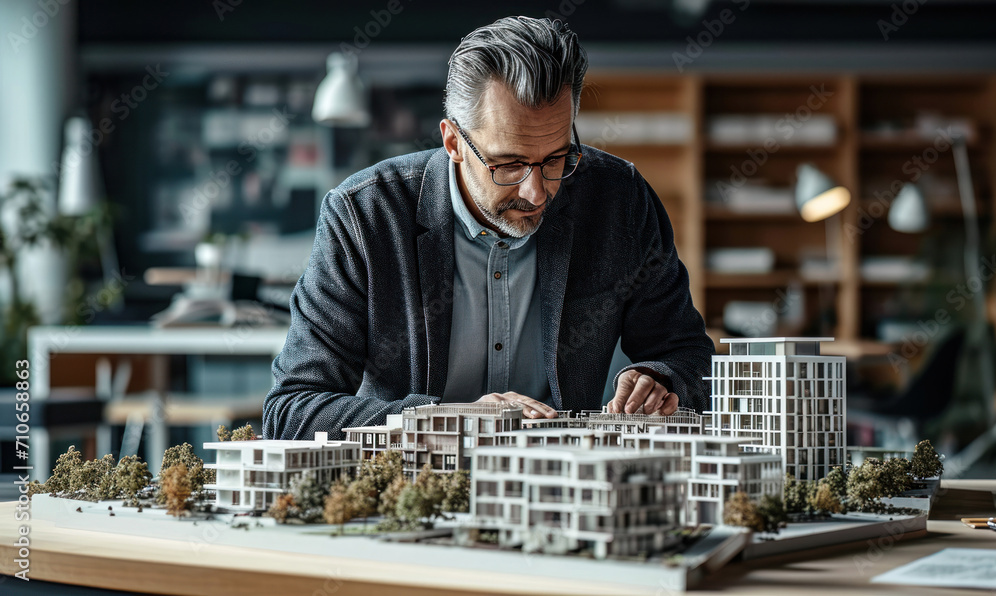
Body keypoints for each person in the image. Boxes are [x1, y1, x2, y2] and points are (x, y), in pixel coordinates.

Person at [263, 16, 714, 441]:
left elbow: (690, 355)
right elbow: (292, 411)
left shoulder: (619, 200)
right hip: (409, 495)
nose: (537, 192)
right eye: (509, 164)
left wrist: (661, 379)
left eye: (556, 159)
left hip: (566, 489)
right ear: (453, 142)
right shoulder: (364, 215)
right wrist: (445, 419)